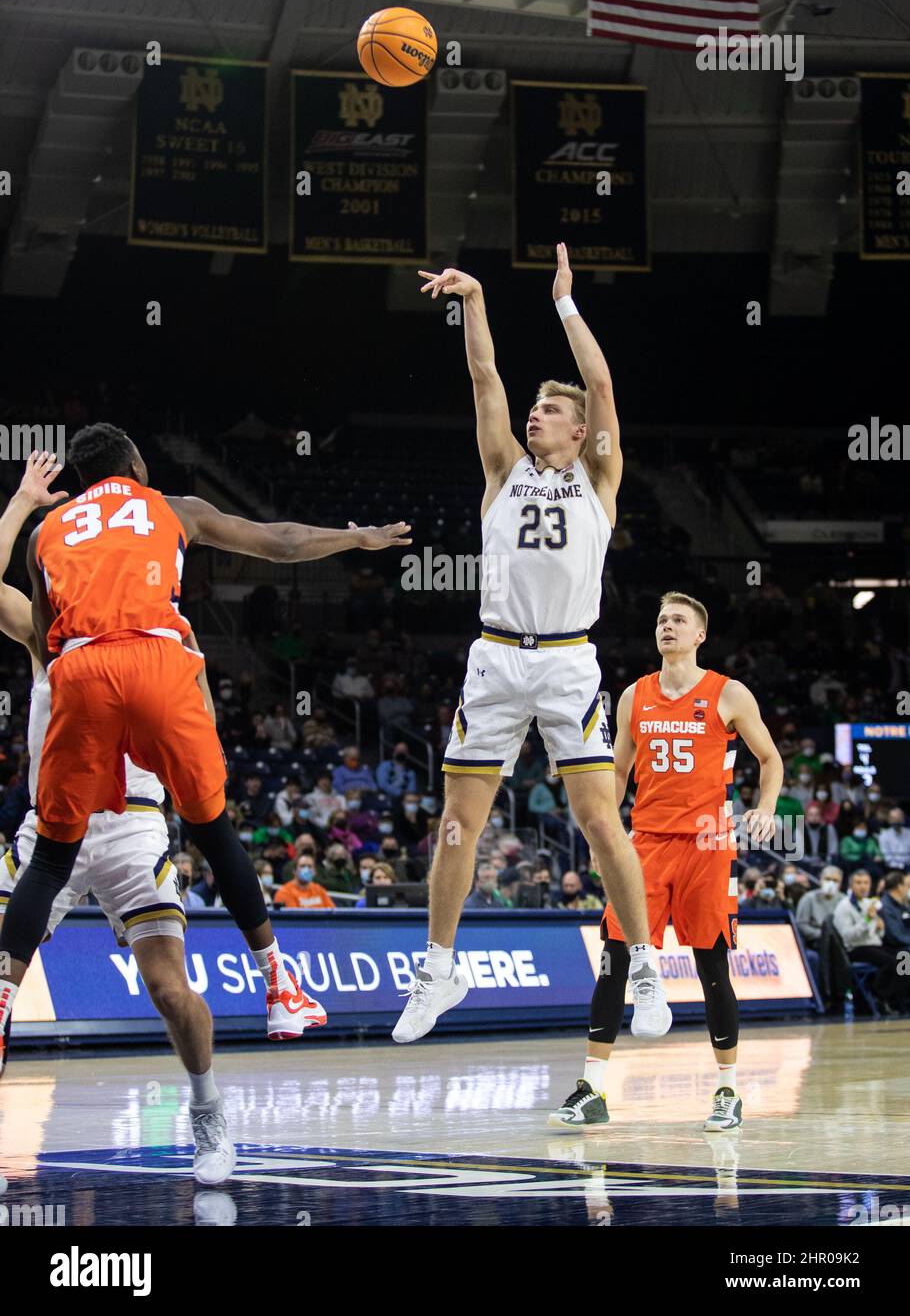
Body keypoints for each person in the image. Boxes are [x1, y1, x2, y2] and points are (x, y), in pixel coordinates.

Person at [0, 425, 408, 1071]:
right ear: (136, 462)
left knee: (50, 865)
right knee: (213, 827)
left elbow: (54, 636)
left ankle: (5, 999)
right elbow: (280, 540)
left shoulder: (48, 539)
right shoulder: (172, 511)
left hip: (84, 692)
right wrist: (356, 539)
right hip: (156, 667)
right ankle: (278, 983)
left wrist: (25, 504)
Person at [393, 247, 671, 1045]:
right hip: (493, 659)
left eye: (548, 411)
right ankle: (440, 969)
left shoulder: (599, 479)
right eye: (535, 410)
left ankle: (645, 966)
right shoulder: (502, 470)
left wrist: (565, 306)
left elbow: (607, 387)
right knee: (458, 820)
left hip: (565, 662)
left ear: (580, 431)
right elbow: (485, 380)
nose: (532, 417)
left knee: (598, 819)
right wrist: (473, 301)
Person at [0, 454, 239, 1182]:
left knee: (170, 990)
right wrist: (18, 506)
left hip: (134, 826)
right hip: (54, 827)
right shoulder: (54, 633)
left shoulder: (173, 644)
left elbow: (198, 756)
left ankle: (207, 1111)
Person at [549, 591, 783, 1133]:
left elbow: (770, 759)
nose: (667, 627)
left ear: (700, 634)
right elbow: (618, 774)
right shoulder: (635, 695)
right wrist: (601, 830)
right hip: (646, 842)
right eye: (661, 620)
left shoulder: (729, 693)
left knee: (712, 966)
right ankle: (592, 1090)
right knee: (615, 957)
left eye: (678, 620)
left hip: (708, 842)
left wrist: (766, 807)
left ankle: (727, 1090)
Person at [833, 868, 902, 1011]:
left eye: (866, 882)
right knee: (892, 962)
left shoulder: (868, 904)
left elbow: (877, 934)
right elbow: (848, 936)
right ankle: (878, 996)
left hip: (873, 945)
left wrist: (880, 927)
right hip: (856, 948)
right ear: (851, 886)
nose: (863, 886)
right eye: (859, 883)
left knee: (905, 958)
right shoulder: (843, 907)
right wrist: (866, 920)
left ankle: (898, 998)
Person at [795, 865, 845, 947]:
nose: (831, 883)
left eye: (835, 881)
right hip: (816, 940)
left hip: (838, 941)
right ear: (821, 880)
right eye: (828, 879)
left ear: (840, 884)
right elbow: (801, 925)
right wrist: (823, 934)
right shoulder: (808, 898)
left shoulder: (844, 900)